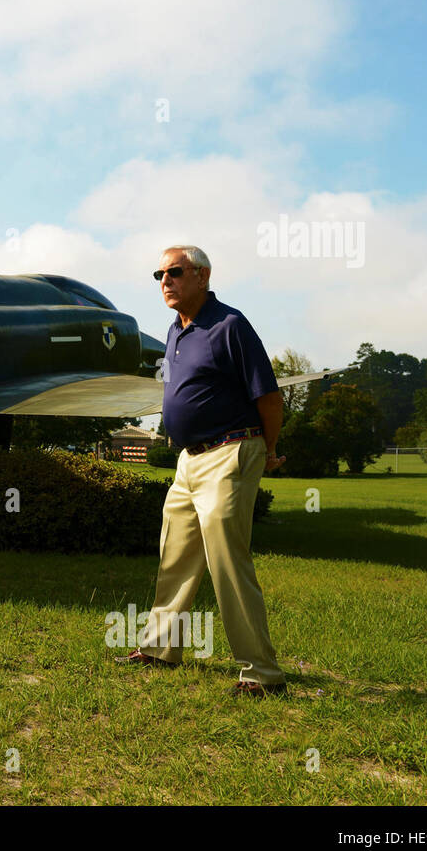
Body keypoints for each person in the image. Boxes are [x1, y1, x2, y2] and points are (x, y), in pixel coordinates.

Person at [116, 246, 288, 697]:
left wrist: (268, 449)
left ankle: (262, 675)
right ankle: (159, 649)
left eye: (175, 272)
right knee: (174, 555)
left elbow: (269, 397)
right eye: (159, 273)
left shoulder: (230, 325)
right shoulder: (175, 331)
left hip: (229, 451)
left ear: (203, 276)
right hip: (188, 459)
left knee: (227, 563)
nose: (165, 280)